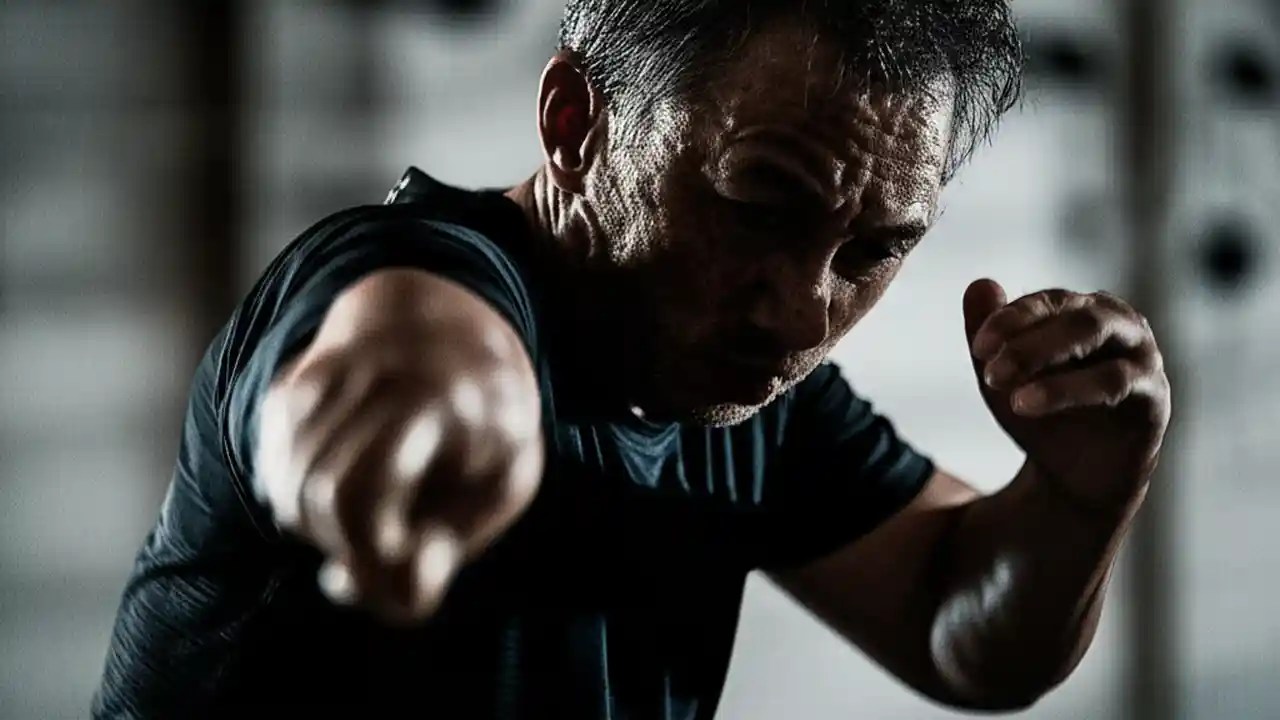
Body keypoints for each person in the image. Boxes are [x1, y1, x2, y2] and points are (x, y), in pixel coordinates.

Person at [93, 1, 1172, 718]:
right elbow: (414, 343)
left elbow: (958, 628)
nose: (801, 311)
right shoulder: (401, 274)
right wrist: (409, 431)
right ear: (575, 122)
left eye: (872, 249)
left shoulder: (747, 394)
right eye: (755, 206)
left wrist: (1079, 497)